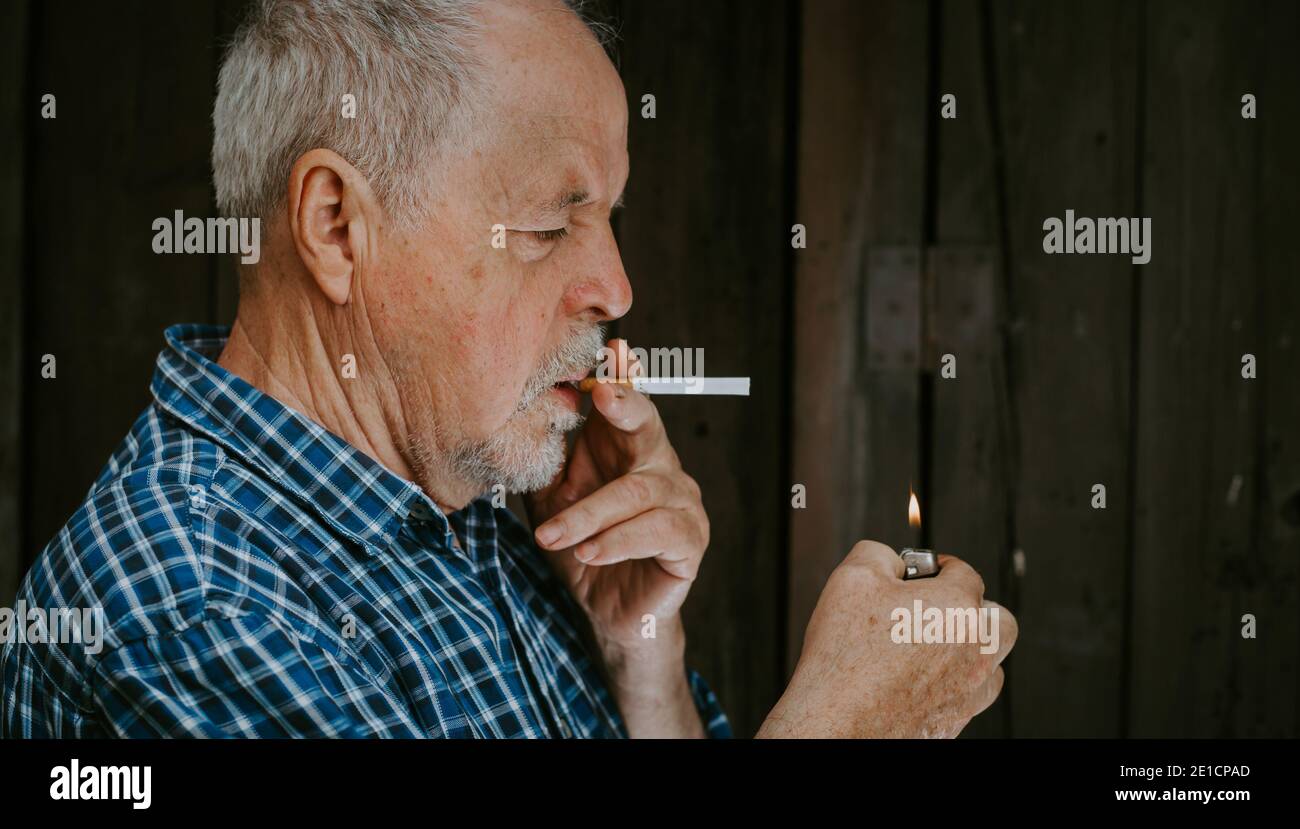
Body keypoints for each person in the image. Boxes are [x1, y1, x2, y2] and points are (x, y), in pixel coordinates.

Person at [0, 0, 1014, 738]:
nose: (615, 287)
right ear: (337, 226)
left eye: (606, 218)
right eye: (545, 226)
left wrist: (640, 661)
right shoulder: (187, 609)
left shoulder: (475, 505)